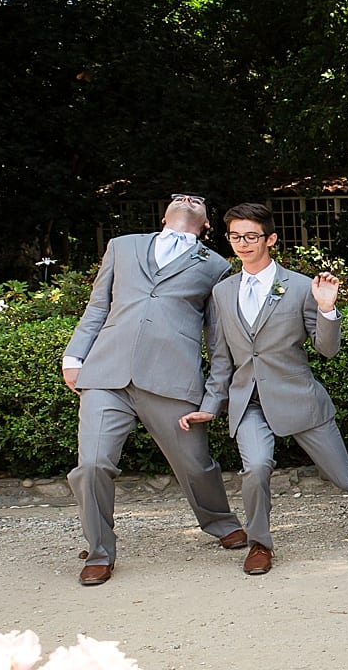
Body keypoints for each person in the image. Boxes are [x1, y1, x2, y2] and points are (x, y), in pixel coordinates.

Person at [179, 203, 348, 576]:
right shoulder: (222, 292)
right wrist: (211, 405)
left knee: (346, 477)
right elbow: (221, 359)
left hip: (298, 399)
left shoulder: (301, 286)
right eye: (235, 236)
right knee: (255, 467)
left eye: (251, 236)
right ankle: (260, 543)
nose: (242, 244)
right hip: (249, 403)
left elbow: (327, 349)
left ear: (270, 239)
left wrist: (327, 309)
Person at [61, 192, 246, 586]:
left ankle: (219, 521)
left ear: (206, 224)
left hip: (172, 380)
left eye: (197, 199)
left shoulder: (215, 266)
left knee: (196, 464)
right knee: (91, 465)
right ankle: (99, 551)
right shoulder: (122, 246)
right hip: (106, 374)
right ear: (164, 214)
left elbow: (218, 341)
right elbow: (97, 307)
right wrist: (74, 357)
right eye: (180, 197)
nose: (188, 198)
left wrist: (214, 396)